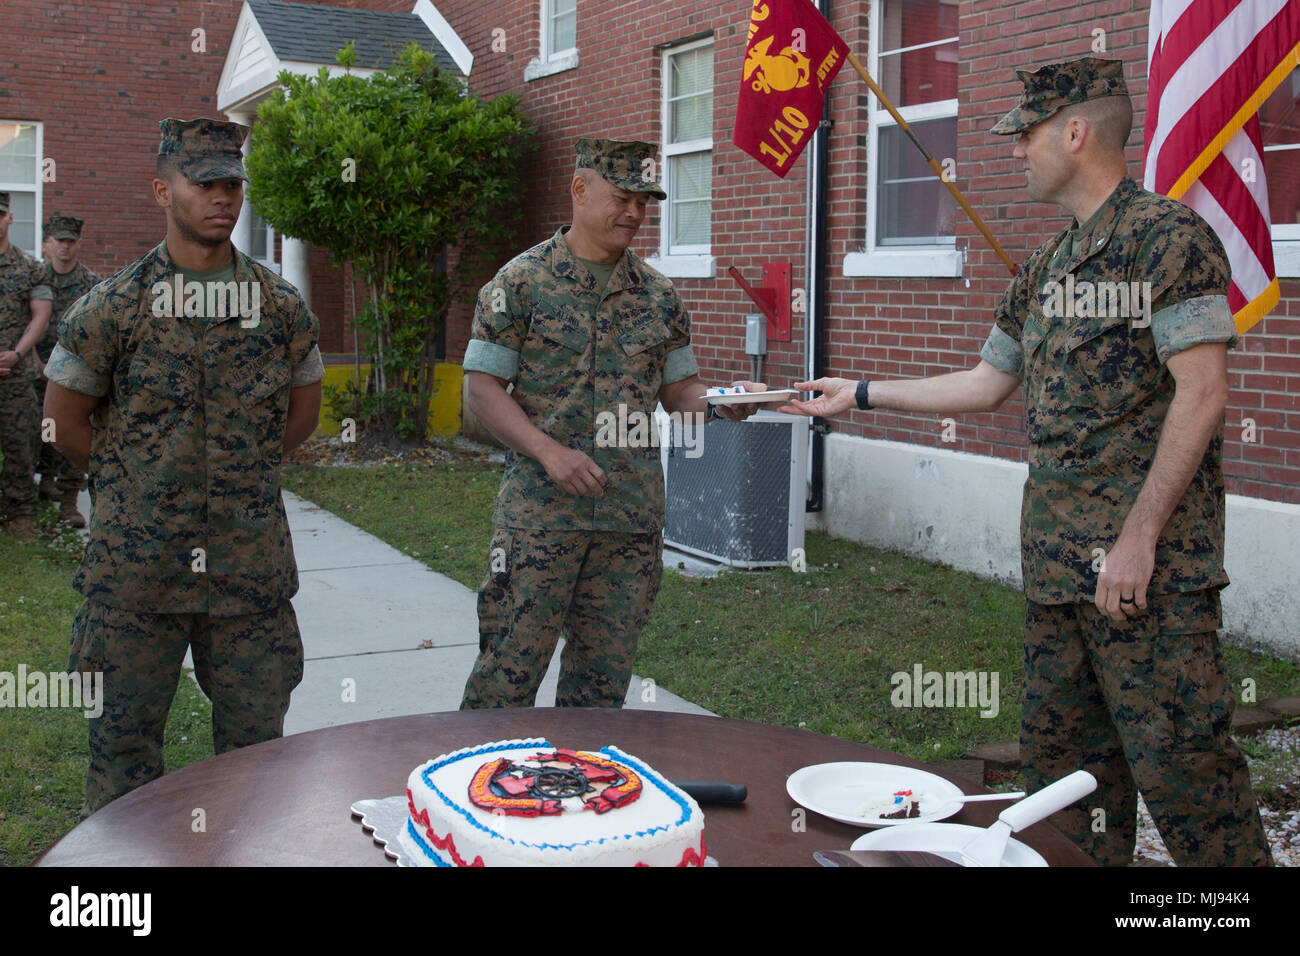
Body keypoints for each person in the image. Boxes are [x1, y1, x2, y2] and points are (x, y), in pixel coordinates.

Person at [782, 58, 1271, 867]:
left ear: (1075, 133)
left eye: (1027, 136)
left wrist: (1140, 537)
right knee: (1066, 788)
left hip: (1147, 579)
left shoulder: (1168, 240)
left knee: (1189, 776)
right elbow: (986, 383)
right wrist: (860, 392)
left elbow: (1204, 394)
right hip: (1056, 575)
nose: (1017, 153)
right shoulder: (1044, 270)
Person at [43, 118, 325, 814]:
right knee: (125, 759)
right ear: (161, 190)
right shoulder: (111, 308)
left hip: (247, 575)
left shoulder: (282, 307)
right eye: (203, 183)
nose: (221, 197)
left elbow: (302, 416)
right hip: (137, 575)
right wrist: (135, 485)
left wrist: (238, 476)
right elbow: (63, 423)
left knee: (257, 755)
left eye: (231, 183)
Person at [459, 137, 763, 709]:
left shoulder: (659, 296)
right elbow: (481, 388)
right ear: (580, 189)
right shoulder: (519, 283)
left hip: (629, 519)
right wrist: (549, 452)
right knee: (505, 676)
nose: (634, 214)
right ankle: (477, 793)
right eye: (622, 197)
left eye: (644, 204)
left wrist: (724, 400)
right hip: (540, 518)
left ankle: (583, 795)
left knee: (600, 694)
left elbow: (680, 394)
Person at [34, 215, 99, 527]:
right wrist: (36, 363)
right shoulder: (35, 278)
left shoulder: (92, 285)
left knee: (69, 431)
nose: (65, 247)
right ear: (48, 243)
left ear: (78, 244)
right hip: (34, 368)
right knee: (35, 434)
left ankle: (69, 504)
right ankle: (44, 485)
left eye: (70, 241)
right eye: (59, 241)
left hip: (73, 375)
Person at [0, 191, 54, 542]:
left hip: (15, 377)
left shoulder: (30, 267)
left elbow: (41, 317)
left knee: (20, 447)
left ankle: (20, 515)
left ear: (9, 218)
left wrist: (16, 355)